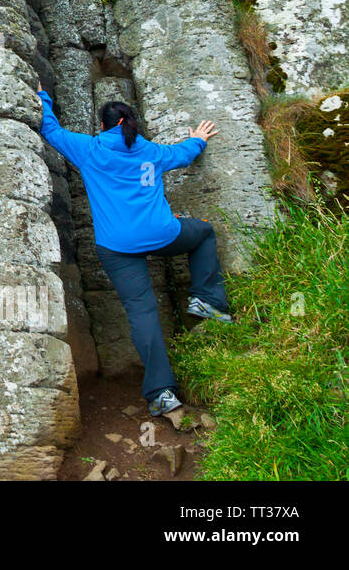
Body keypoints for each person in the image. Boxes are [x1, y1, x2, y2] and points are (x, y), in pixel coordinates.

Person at [35, 85, 234, 417]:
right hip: (162, 234)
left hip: (117, 246)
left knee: (143, 314)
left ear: (103, 125)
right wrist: (198, 138)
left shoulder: (91, 150)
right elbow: (183, 153)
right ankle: (208, 300)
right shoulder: (152, 152)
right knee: (203, 232)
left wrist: (43, 98)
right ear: (133, 124)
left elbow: (50, 129)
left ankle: (162, 393)